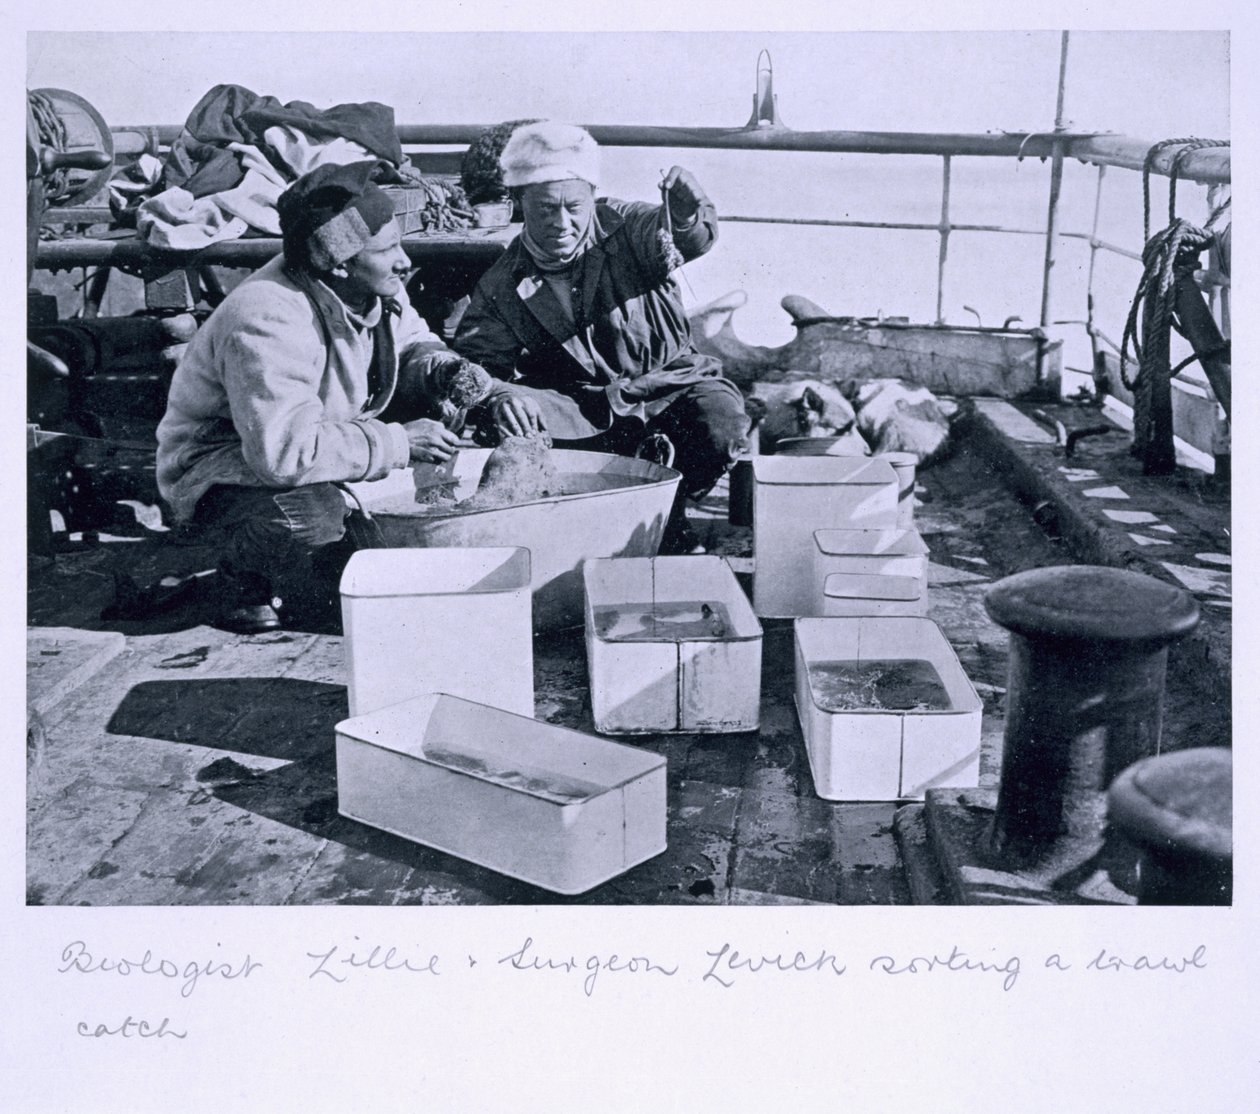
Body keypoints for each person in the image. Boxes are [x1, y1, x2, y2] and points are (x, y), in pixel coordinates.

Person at [156, 159, 489, 633]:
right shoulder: (267, 317)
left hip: (305, 445)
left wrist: (442, 369)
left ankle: (316, 568)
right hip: (220, 470)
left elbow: (410, 340)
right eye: (387, 250)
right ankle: (240, 581)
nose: (404, 261)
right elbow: (283, 454)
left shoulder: (371, 287)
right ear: (339, 262)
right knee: (312, 517)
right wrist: (398, 442)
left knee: (367, 551)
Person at [453, 121, 750, 553]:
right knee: (513, 427)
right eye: (545, 209)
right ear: (518, 203)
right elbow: (476, 369)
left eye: (574, 207)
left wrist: (687, 214)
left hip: (673, 384)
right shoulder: (500, 284)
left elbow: (679, 238)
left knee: (721, 429)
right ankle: (605, 523)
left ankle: (669, 510)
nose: (561, 223)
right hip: (581, 407)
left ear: (592, 195)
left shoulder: (626, 227)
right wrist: (501, 397)